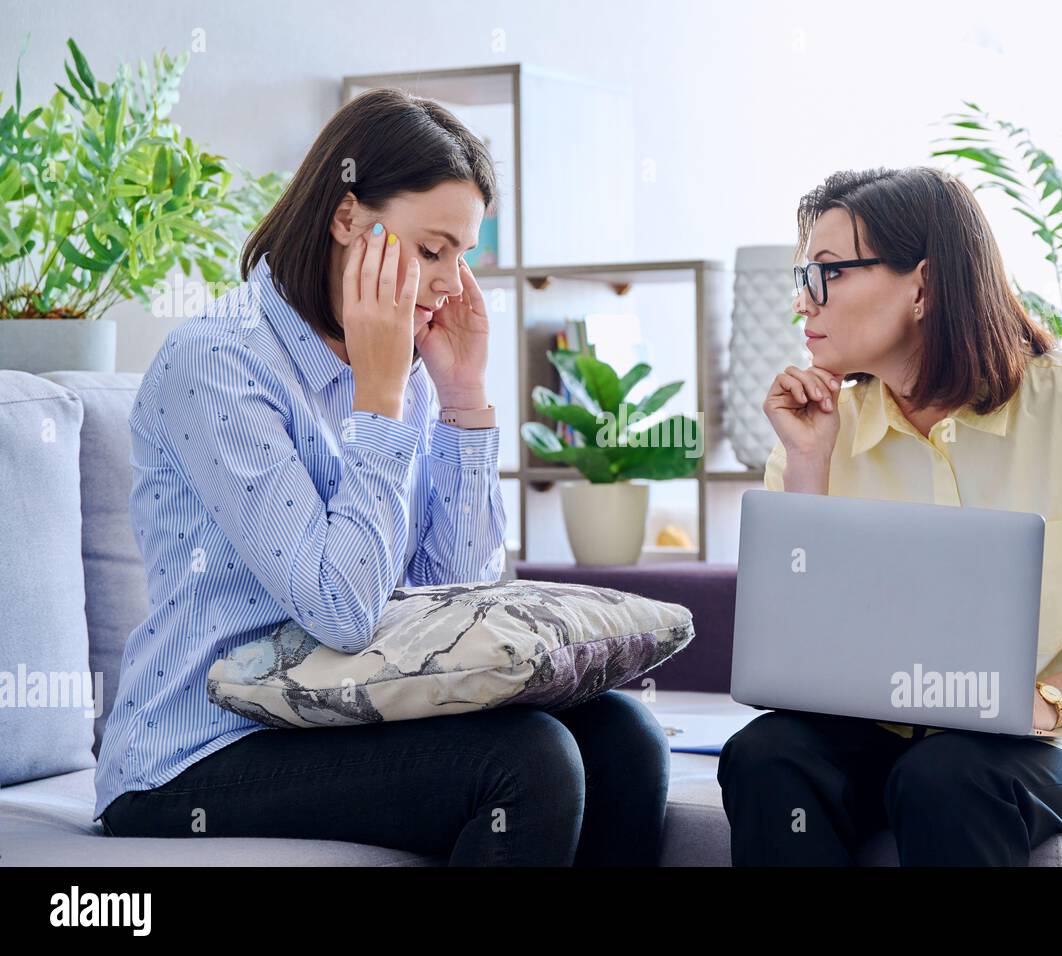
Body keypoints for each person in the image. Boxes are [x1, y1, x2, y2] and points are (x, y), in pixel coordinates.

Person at [93, 88, 669, 866]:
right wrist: (381, 400)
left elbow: (456, 603)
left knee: (625, 738)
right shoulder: (219, 363)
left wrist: (464, 400)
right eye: (433, 251)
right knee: (528, 761)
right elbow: (341, 610)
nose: (451, 284)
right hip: (198, 751)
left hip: (341, 711)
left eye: (465, 255)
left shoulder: (410, 372)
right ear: (348, 220)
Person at [717, 166, 1062, 866]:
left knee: (948, 776)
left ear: (922, 286)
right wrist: (808, 466)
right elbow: (794, 648)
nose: (803, 302)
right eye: (803, 274)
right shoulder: (818, 432)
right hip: (878, 736)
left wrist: (1049, 698)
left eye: (828, 272)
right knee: (764, 755)